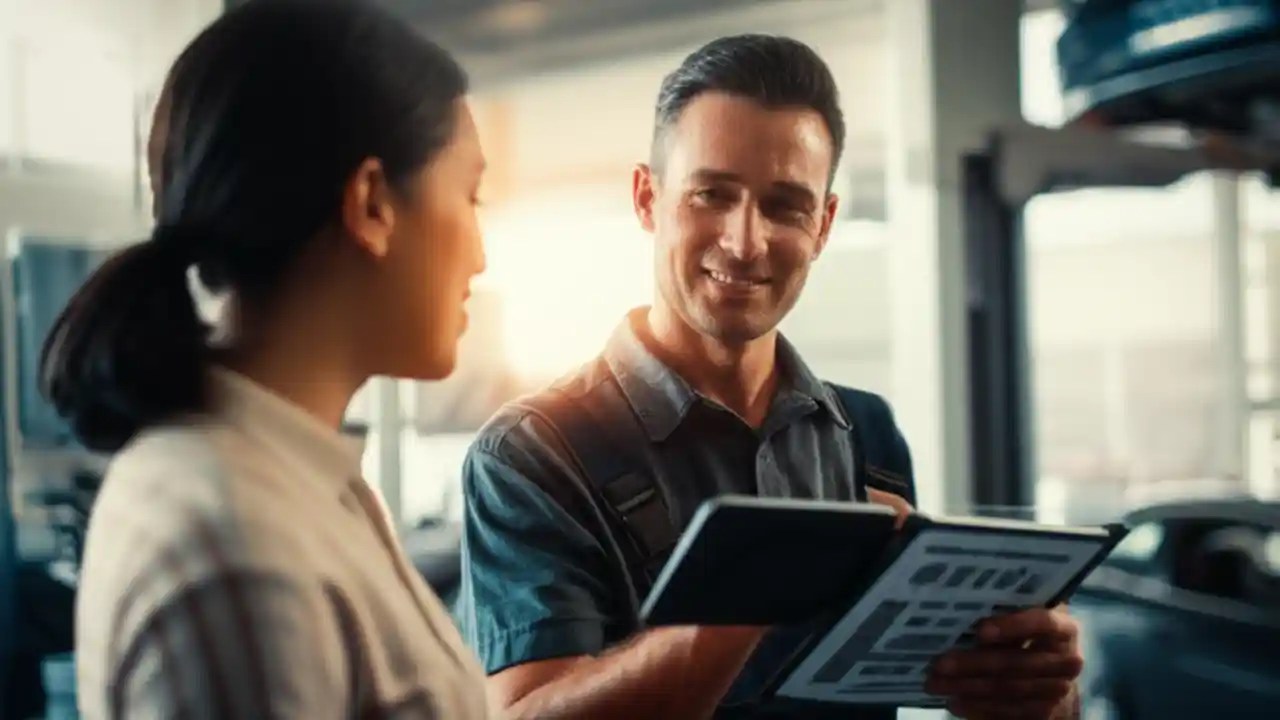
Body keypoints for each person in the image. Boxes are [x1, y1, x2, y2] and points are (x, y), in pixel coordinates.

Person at [457, 34, 1083, 720]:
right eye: (711, 194)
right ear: (646, 198)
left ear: (824, 224)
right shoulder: (533, 452)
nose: (745, 242)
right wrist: (766, 579)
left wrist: (1035, 691)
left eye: (786, 206)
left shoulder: (867, 437)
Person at [41, 1, 490, 717]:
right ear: (372, 204)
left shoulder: (293, 480)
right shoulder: (238, 544)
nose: (480, 256)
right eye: (471, 196)